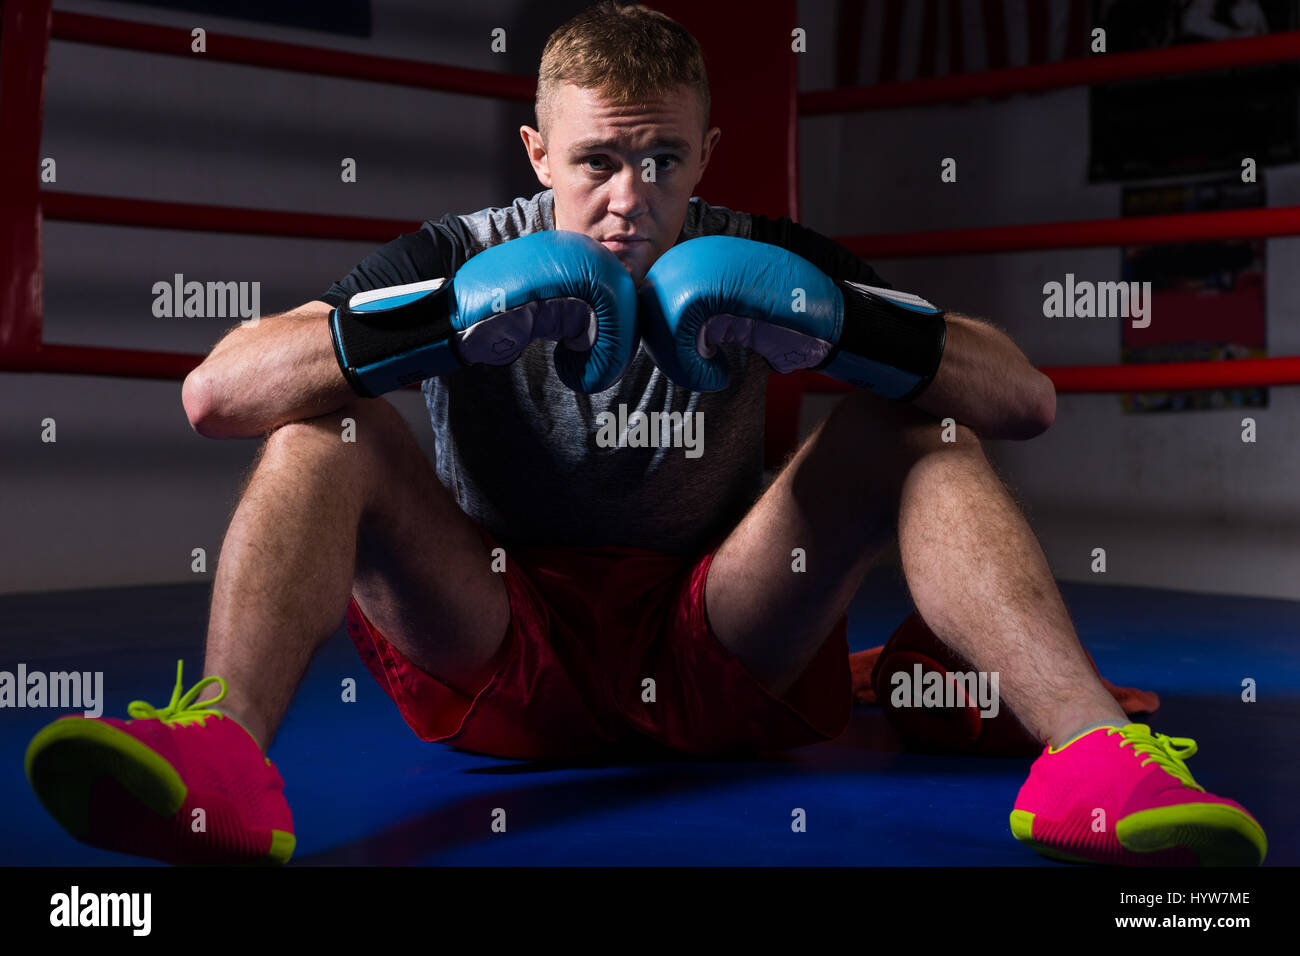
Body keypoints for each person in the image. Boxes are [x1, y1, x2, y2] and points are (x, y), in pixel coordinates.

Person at [26, 1, 1265, 868]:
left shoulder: (758, 253)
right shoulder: (461, 252)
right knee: (316, 431)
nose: (630, 200)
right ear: (536, 154)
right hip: (496, 637)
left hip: (717, 637)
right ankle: (222, 756)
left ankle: (1097, 759)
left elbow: (1023, 398)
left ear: (708, 153)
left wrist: (839, 327)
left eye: (664, 158)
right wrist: (441, 323)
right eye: (597, 162)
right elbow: (215, 391)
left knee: (922, 429)